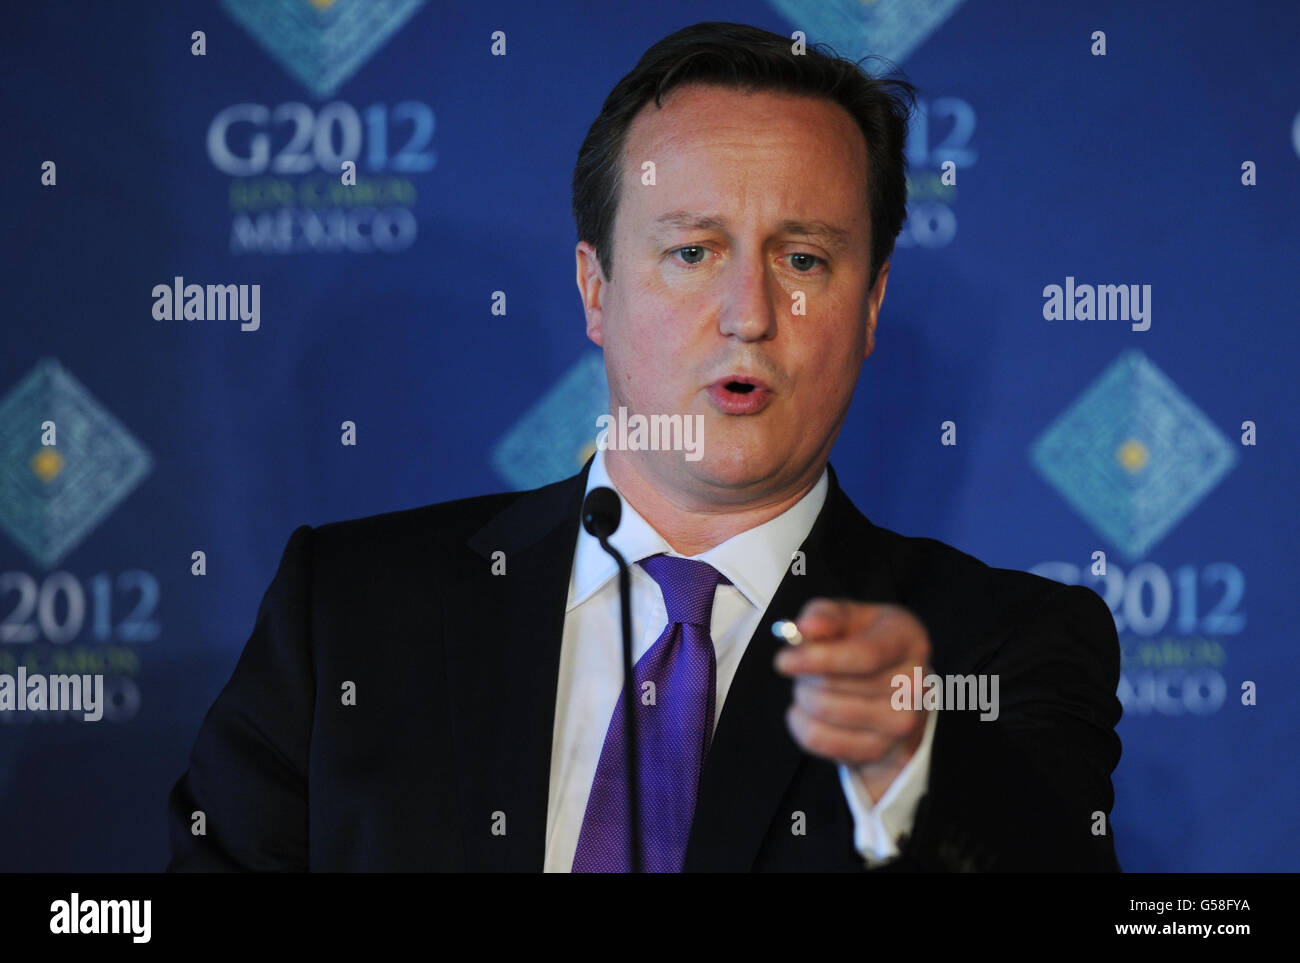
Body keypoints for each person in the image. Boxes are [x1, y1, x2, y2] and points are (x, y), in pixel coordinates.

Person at [167, 21, 1122, 872]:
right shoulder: (347, 609)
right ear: (596, 289)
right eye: (692, 251)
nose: (749, 314)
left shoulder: (1009, 646)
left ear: (869, 308)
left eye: (803, 259)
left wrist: (905, 767)